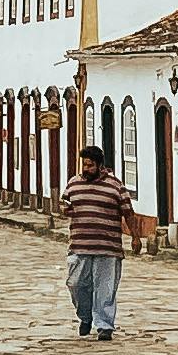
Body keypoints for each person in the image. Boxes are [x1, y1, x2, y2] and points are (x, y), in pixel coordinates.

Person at [64, 139, 141, 340]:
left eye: (90, 165)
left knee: (105, 288)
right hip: (79, 246)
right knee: (76, 284)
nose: (86, 168)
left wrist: (135, 237)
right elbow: (65, 205)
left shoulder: (116, 186)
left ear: (100, 165)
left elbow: (129, 213)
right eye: (84, 164)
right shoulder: (73, 183)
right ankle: (85, 316)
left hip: (108, 247)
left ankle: (104, 325)